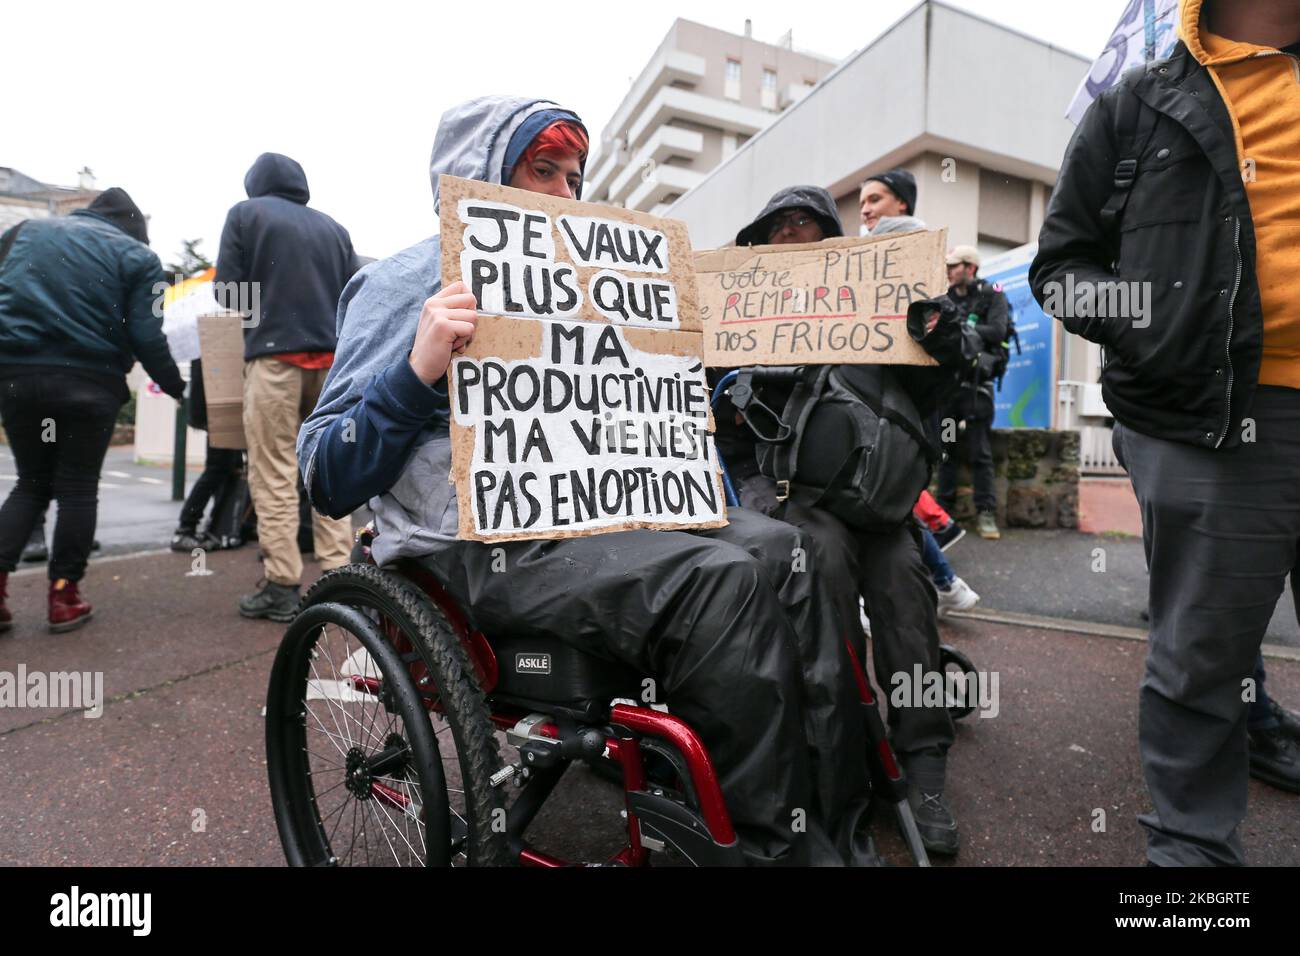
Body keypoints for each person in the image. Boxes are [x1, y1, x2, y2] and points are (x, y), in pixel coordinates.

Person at [298, 96, 877, 866]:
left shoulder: (595, 279)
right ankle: (765, 852)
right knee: (722, 581)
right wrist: (417, 369)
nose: (568, 196)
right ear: (481, 177)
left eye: (576, 177)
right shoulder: (401, 283)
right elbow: (325, 474)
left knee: (790, 552)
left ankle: (832, 833)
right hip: (481, 540)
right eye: (546, 172)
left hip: (601, 515)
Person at [1030, 0, 1300, 864]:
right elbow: (1062, 269)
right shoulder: (1136, 102)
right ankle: (1191, 870)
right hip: (1208, 422)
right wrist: (1158, 330)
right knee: (1201, 659)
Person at [719, 184, 969, 855]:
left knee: (906, 602)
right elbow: (719, 425)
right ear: (760, 245)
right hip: (797, 498)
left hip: (883, 509)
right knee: (819, 579)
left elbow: (950, 383)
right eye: (779, 226)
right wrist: (753, 491)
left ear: (835, 242)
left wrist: (943, 334)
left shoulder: (884, 304)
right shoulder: (743, 319)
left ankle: (923, 768)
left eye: (808, 223)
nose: (793, 233)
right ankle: (846, 753)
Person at [0, 188, 185, 633]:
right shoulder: (143, 260)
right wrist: (180, 391)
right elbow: (148, 336)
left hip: (17, 376)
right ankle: (64, 596)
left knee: (31, 483)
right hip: (90, 383)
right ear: (136, 231)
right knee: (78, 488)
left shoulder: (21, 233)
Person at [214, 153, 358, 622]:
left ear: (254, 184)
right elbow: (353, 295)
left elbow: (228, 294)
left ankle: (281, 584)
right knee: (329, 468)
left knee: (273, 471)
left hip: (274, 359)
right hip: (332, 363)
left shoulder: (245, 215)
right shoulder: (334, 228)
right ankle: (339, 577)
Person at [938, 246, 1008, 540]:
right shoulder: (945, 298)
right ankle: (943, 515)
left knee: (980, 451)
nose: (949, 271)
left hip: (978, 388)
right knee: (947, 449)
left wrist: (962, 333)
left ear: (970, 268)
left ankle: (986, 513)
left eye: (954, 266)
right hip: (948, 390)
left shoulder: (992, 294)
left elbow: (998, 331)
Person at [170, 358, 245, 551]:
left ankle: (219, 527)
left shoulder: (213, 340)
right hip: (220, 409)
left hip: (220, 408)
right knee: (218, 467)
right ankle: (186, 528)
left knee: (230, 466)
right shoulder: (215, 340)